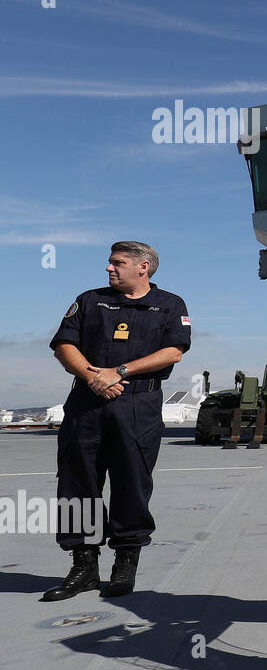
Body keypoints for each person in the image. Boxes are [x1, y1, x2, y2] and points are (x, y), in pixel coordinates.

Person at [43, 241, 191, 601]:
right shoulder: (90, 300)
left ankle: (125, 561)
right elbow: (64, 344)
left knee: (131, 481)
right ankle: (83, 566)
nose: (109, 268)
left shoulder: (170, 304)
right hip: (86, 400)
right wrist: (95, 377)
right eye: (110, 263)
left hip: (138, 402)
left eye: (117, 263)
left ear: (143, 267)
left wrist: (119, 371)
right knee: (78, 482)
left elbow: (174, 350)